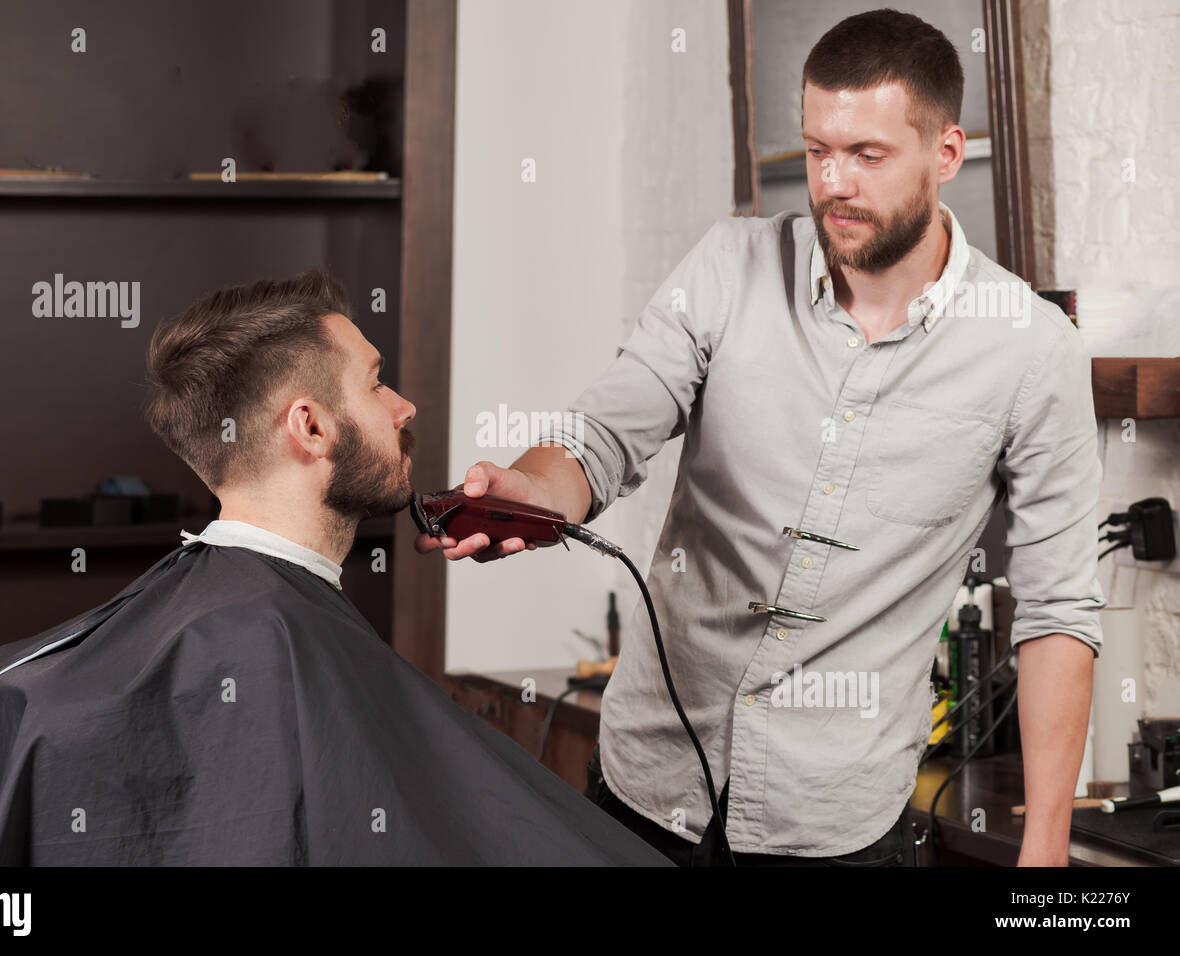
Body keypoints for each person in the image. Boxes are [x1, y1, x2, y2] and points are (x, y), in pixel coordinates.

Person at [417, 10, 1103, 867]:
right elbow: (604, 430)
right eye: (818, 150)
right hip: (647, 786)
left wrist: (1046, 851)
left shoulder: (1033, 349)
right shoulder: (727, 266)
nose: (833, 183)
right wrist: (538, 491)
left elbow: (1057, 612)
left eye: (867, 155)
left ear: (947, 154)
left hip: (838, 825)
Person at [0, 269, 669, 866]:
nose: (404, 406)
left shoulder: (65, 668)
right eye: (377, 382)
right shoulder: (269, 637)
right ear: (309, 427)